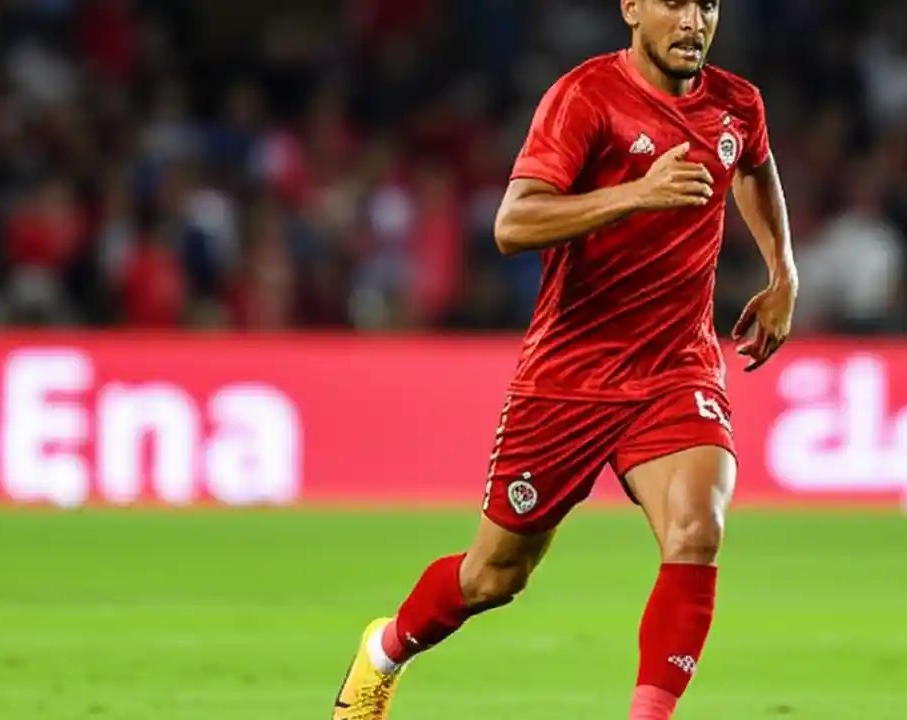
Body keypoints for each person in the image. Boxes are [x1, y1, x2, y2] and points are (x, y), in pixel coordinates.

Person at [331, 1, 797, 718]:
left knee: (697, 531)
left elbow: (754, 170)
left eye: (707, 3)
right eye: (673, 2)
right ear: (632, 9)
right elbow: (513, 223)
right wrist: (638, 194)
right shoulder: (585, 98)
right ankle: (384, 650)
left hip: (677, 368)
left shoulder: (738, 103)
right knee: (492, 578)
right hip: (570, 378)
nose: (693, 20)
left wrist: (782, 272)